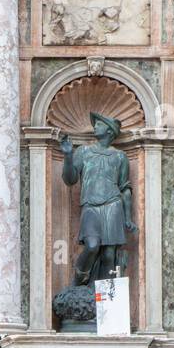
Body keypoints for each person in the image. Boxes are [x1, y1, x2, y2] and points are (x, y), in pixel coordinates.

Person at [59, 111, 136, 285]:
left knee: (109, 255)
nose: (95, 126)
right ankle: (78, 281)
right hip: (91, 206)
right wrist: (68, 156)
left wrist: (128, 217)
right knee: (92, 245)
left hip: (113, 205)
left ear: (110, 131)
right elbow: (70, 179)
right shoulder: (83, 151)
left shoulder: (119, 156)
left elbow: (125, 187)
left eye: (100, 124)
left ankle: (103, 299)